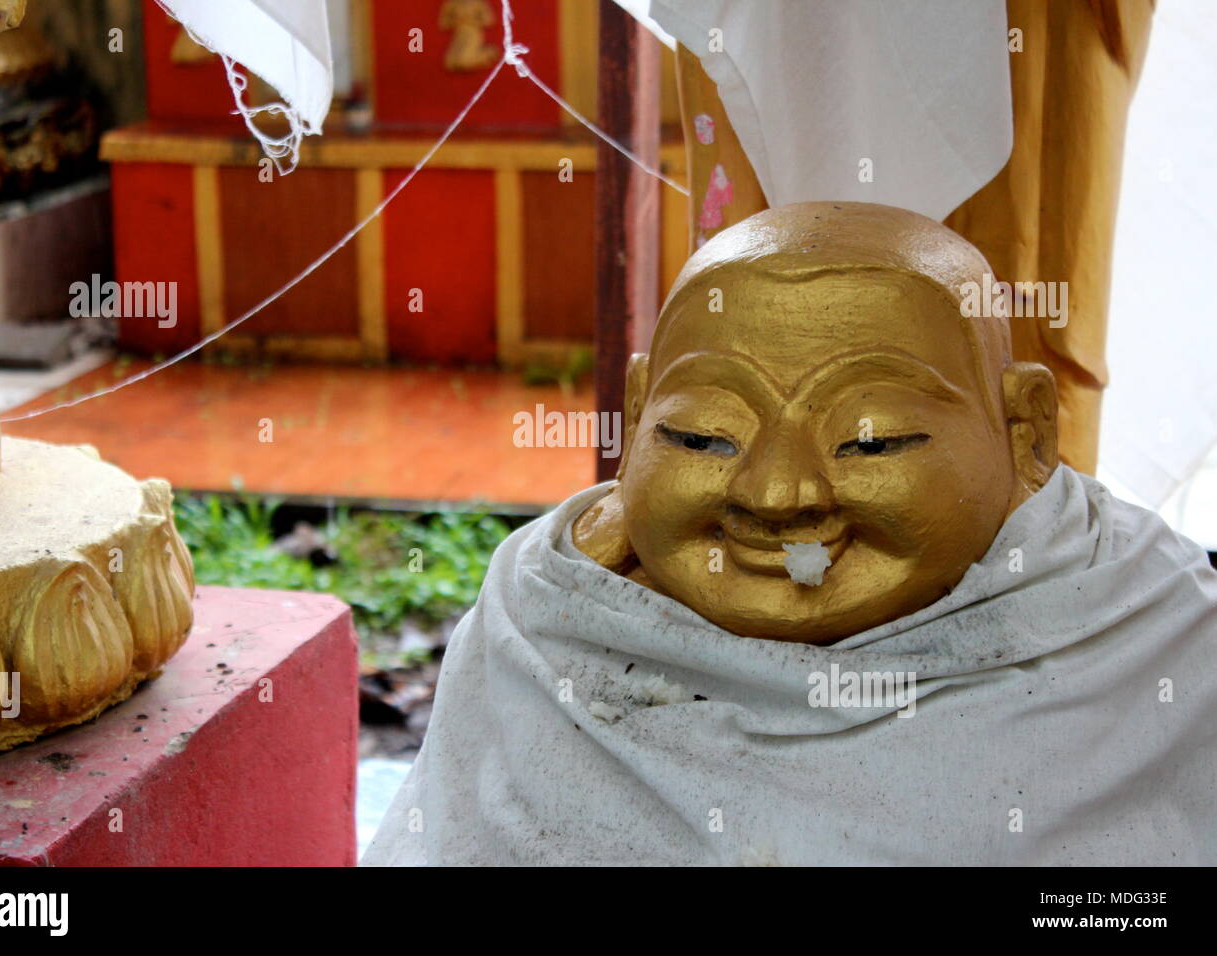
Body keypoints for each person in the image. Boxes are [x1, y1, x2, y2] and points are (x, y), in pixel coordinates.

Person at [363, 203, 1217, 866]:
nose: (776, 494)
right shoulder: (549, 619)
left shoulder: (1148, 633)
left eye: (871, 440)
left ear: (1025, 433)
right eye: (701, 436)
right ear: (635, 415)